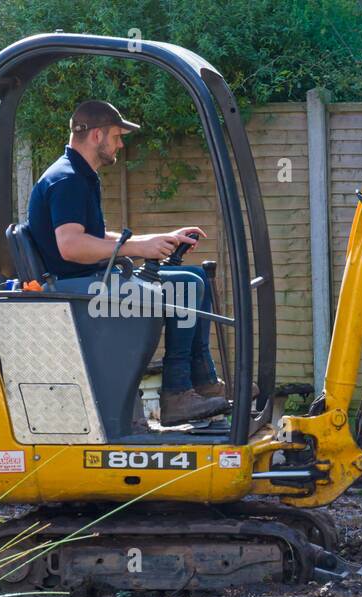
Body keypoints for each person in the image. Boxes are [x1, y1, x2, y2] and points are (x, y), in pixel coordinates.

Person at [25, 100, 230, 426]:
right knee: (187, 285)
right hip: (77, 293)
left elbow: (91, 235)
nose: (121, 144)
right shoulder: (67, 180)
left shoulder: (79, 174)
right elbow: (71, 245)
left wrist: (158, 239)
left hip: (89, 281)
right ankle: (177, 393)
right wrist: (137, 246)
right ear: (96, 135)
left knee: (192, 278)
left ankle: (202, 381)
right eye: (117, 136)